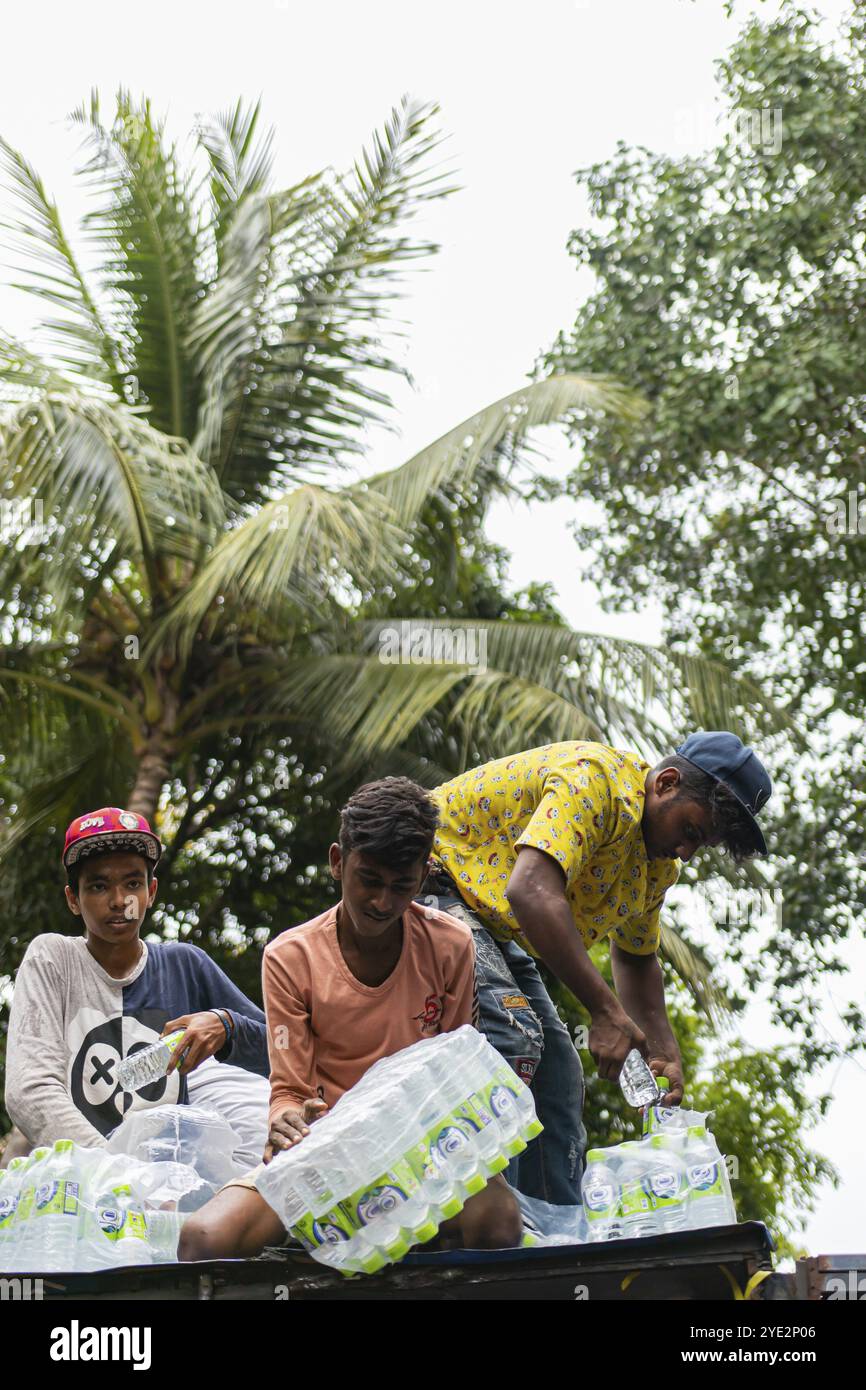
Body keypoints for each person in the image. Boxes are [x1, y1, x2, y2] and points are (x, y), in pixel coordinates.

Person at [418, 731, 773, 1206]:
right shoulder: (595, 780)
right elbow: (531, 891)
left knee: (561, 1074)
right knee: (511, 1034)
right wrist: (605, 1013)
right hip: (427, 881)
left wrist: (664, 1048)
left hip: (492, 926)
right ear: (666, 783)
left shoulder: (657, 867)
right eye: (690, 832)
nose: (686, 853)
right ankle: (486, 1218)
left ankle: (553, 1233)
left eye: (700, 846)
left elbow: (635, 954)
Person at [179, 778, 523, 1260]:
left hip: (421, 1156)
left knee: (498, 1220)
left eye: (401, 886)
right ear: (338, 861)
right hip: (325, 1155)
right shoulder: (290, 956)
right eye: (370, 880)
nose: (383, 902)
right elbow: (288, 1093)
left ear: (422, 877)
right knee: (205, 1239)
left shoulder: (451, 945)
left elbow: (456, 1077)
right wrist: (287, 1121)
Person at [3, 807, 271, 1167]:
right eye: (98, 886)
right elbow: (29, 1091)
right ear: (72, 899)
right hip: (72, 1191)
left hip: (170, 1188)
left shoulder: (184, 965)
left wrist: (227, 1025)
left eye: (132, 883)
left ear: (151, 891)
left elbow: (282, 1052)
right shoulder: (53, 959)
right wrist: (116, 1173)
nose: (119, 900)